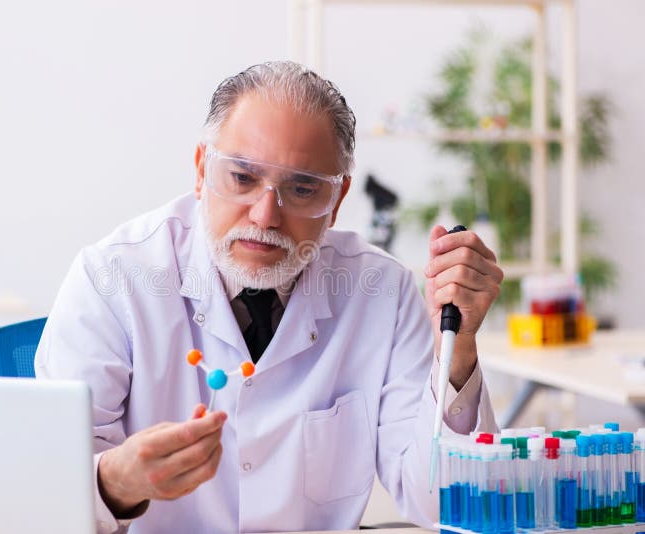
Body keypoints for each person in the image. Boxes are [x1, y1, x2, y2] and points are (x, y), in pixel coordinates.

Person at [35, 61, 502, 534]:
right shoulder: (114, 277)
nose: (265, 215)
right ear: (201, 171)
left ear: (337, 201)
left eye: (302, 189)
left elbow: (444, 506)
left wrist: (456, 347)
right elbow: (43, 503)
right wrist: (118, 482)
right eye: (242, 178)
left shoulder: (382, 291)